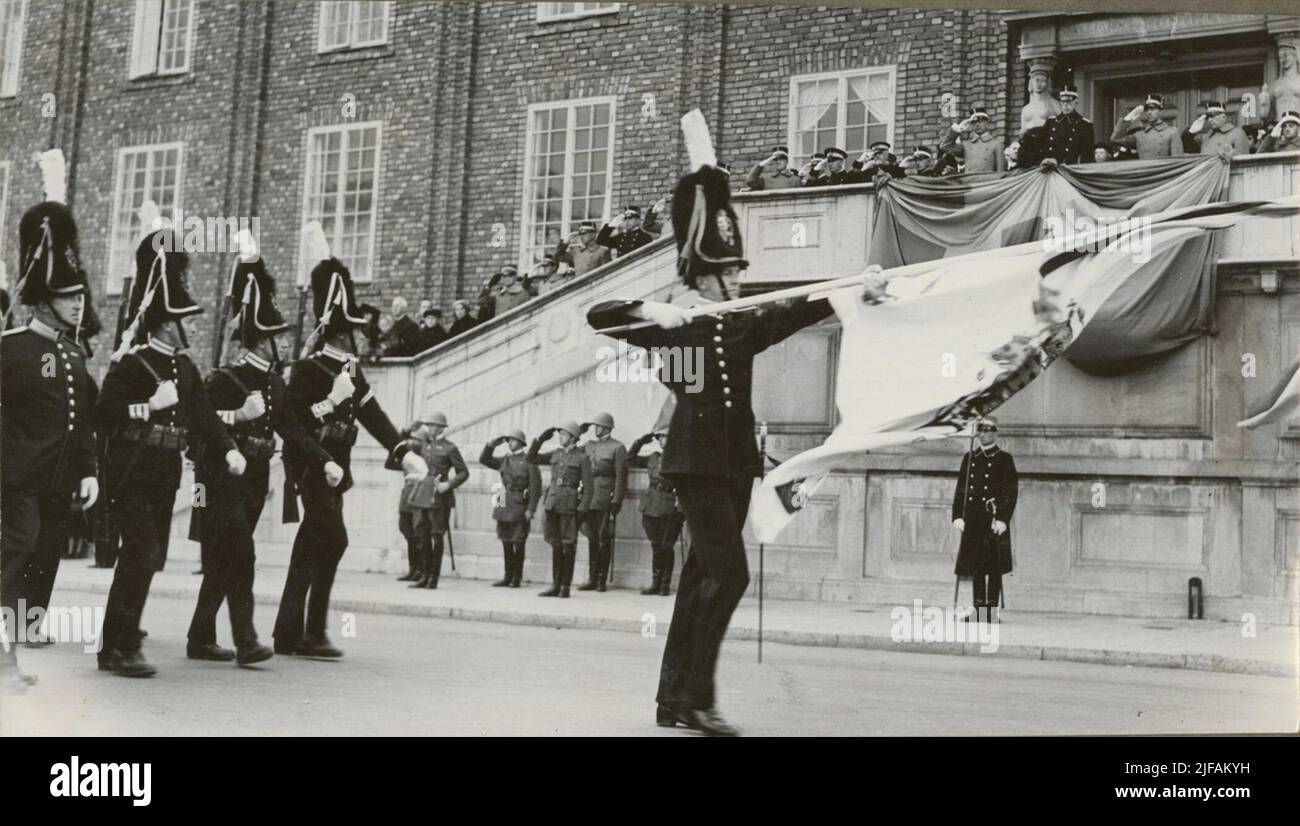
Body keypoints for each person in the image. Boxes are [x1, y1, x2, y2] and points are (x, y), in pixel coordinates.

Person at [586, 146, 889, 735]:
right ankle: (699, 697)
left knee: (702, 577)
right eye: (730, 272)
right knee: (731, 575)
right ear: (704, 274)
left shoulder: (741, 321)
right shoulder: (671, 322)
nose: (740, 278)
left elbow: (799, 307)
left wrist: (857, 286)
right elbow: (599, 313)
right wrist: (650, 308)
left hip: (733, 467)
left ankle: (672, 699)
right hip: (694, 465)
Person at [95, 225, 246, 678]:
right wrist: (146, 406)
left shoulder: (184, 368)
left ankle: (117, 640)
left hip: (165, 472)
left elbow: (203, 417)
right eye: (185, 319)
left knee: (150, 555)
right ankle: (118, 646)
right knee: (140, 551)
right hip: (132, 468)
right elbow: (103, 415)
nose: (191, 325)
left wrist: (227, 449)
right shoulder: (132, 362)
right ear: (166, 322)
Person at [273, 223, 427, 658]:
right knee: (333, 539)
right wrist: (326, 417)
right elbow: (293, 424)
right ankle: (311, 631)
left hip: (338, 470)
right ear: (335, 332)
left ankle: (293, 632)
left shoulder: (351, 371)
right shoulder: (307, 370)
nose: (355, 339)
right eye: (349, 333)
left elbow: (374, 416)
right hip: (311, 466)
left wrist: (402, 451)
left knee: (312, 545)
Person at [187, 242, 338, 667]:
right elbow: (199, 422)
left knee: (223, 559)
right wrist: (236, 415)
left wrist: (322, 457)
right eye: (279, 339)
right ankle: (247, 638)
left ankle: (199, 635)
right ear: (263, 341)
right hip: (221, 479)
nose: (285, 345)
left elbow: (289, 427)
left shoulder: (274, 383)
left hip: (255, 479)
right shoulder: (226, 378)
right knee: (242, 555)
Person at [1, 152, 99, 689]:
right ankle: (5, 661)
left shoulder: (74, 354)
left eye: (82, 297)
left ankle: (12, 649)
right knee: (17, 554)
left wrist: (87, 468)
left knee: (38, 559)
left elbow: (79, 418)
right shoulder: (11, 349)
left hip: (56, 481)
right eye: (69, 297)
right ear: (45, 299)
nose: (80, 306)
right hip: (16, 478)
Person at [951, 417, 1017, 624]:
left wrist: (1003, 519)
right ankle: (978, 608)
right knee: (975, 564)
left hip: (993, 518)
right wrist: (957, 516)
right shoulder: (970, 458)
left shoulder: (1004, 459)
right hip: (973, 518)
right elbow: (961, 489)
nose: (984, 434)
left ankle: (991, 610)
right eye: (981, 430)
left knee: (994, 566)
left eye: (989, 430)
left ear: (996, 433)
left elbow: (1010, 492)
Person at [527, 421, 592, 599]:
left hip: (570, 506)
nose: (560, 437)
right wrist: (540, 439)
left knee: (568, 546)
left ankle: (565, 587)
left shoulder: (582, 458)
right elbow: (531, 458)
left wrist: (582, 510)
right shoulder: (556, 453)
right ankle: (555, 586)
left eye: (563, 434)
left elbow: (588, 487)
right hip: (552, 503)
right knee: (556, 545)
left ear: (573, 437)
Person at [405, 411, 468, 589]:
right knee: (421, 534)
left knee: (436, 536)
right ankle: (424, 575)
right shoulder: (423, 446)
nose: (429, 428)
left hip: (440, 496)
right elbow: (402, 443)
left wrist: (449, 484)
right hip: (423, 494)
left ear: (440, 427)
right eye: (428, 425)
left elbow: (463, 472)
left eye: (431, 425)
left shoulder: (450, 448)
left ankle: (434, 577)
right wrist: (411, 427)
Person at [480, 429, 541, 588]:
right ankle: (507, 576)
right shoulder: (505, 459)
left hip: (520, 503)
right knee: (505, 540)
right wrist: (491, 444)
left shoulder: (529, 460)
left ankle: (516, 577)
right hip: (503, 500)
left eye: (513, 440)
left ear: (520, 442)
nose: (510, 443)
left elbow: (536, 487)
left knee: (518, 541)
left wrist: (531, 509)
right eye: (509, 440)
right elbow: (484, 459)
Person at [627, 428, 684, 596]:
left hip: (669, 507)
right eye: (659, 437)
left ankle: (665, 584)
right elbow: (629, 460)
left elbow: (687, 486)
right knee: (656, 546)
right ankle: (655, 582)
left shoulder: (680, 458)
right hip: (650, 505)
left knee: (667, 546)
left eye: (664, 436)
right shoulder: (653, 457)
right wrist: (640, 442)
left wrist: (682, 512)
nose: (660, 440)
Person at [577, 412, 627, 592]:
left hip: (605, 498)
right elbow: (572, 452)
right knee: (592, 538)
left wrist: (617, 500)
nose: (595, 429)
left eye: (598, 426)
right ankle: (592, 577)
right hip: (588, 497)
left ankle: (601, 580)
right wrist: (579, 433)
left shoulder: (617, 447)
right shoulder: (588, 445)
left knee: (603, 539)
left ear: (606, 428)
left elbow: (621, 477)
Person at [395, 424, 431, 582]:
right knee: (406, 529)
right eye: (411, 439)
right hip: (407, 497)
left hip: (421, 496)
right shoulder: (408, 457)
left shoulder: (428, 456)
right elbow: (390, 463)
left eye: (416, 440)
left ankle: (421, 570)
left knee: (419, 534)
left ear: (424, 442)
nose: (412, 442)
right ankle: (413, 568)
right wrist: (403, 436)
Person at [1109, 94, 1183, 159]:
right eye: (1147, 110)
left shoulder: (1171, 133)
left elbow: (1177, 162)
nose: (1149, 112)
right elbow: (1115, 139)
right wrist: (1129, 118)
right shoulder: (1139, 135)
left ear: (1160, 111)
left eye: (1152, 109)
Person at [1040, 85, 1094, 165]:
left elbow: (1087, 156)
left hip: (1070, 171)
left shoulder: (1084, 125)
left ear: (1076, 102)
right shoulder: (1051, 122)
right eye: (1063, 101)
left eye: (1069, 101)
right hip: (1050, 170)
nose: (1065, 105)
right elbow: (1041, 146)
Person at [940, 107, 1006, 173]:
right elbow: (945, 146)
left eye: (980, 121)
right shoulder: (966, 145)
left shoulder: (997, 144)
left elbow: (1000, 173)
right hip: (969, 182)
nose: (977, 124)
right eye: (974, 122)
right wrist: (959, 128)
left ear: (987, 124)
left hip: (987, 182)